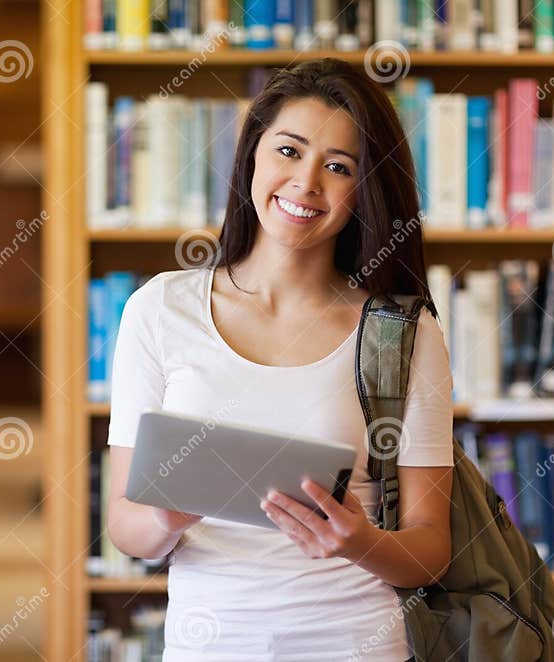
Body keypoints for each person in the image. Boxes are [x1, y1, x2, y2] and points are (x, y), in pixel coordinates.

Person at [105, 58, 454, 662]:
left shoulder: (403, 332)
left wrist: (359, 540)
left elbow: (429, 552)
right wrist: (169, 515)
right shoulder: (160, 309)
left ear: (363, 190)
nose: (306, 183)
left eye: (338, 167)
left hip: (355, 645)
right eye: (289, 151)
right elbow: (126, 529)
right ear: (252, 158)